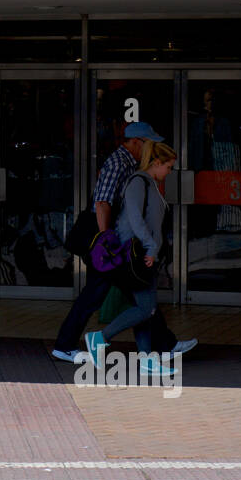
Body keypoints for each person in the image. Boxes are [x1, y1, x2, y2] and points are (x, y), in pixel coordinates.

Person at [52, 122, 180, 360]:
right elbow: (102, 203)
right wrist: (106, 240)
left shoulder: (130, 164)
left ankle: (162, 345)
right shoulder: (117, 163)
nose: (152, 149)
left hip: (112, 241)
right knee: (107, 294)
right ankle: (70, 344)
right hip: (107, 242)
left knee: (135, 294)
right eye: (149, 144)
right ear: (136, 142)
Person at [84, 141, 192, 376]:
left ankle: (146, 361)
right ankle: (100, 338)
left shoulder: (148, 183)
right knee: (145, 309)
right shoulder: (138, 182)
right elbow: (134, 218)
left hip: (144, 255)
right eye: (169, 167)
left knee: (145, 308)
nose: (169, 172)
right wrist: (151, 246)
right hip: (137, 255)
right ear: (157, 162)